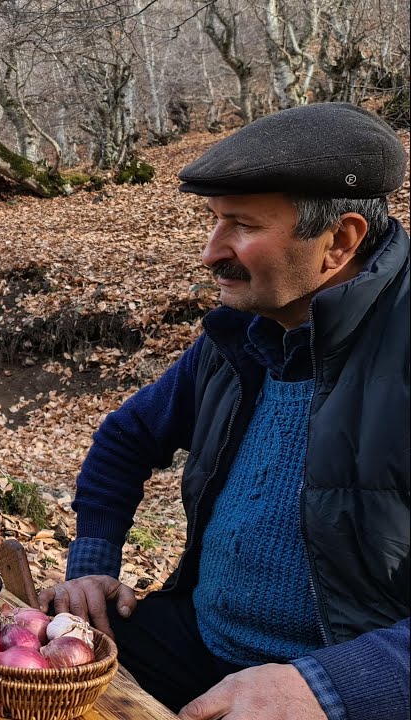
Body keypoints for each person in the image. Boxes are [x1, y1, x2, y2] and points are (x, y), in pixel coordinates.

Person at [38, 102, 409, 720]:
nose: (211, 252)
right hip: (200, 639)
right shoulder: (239, 337)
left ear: (340, 242)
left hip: (350, 688)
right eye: (212, 222)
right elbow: (126, 440)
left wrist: (329, 688)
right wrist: (93, 567)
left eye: (239, 225)